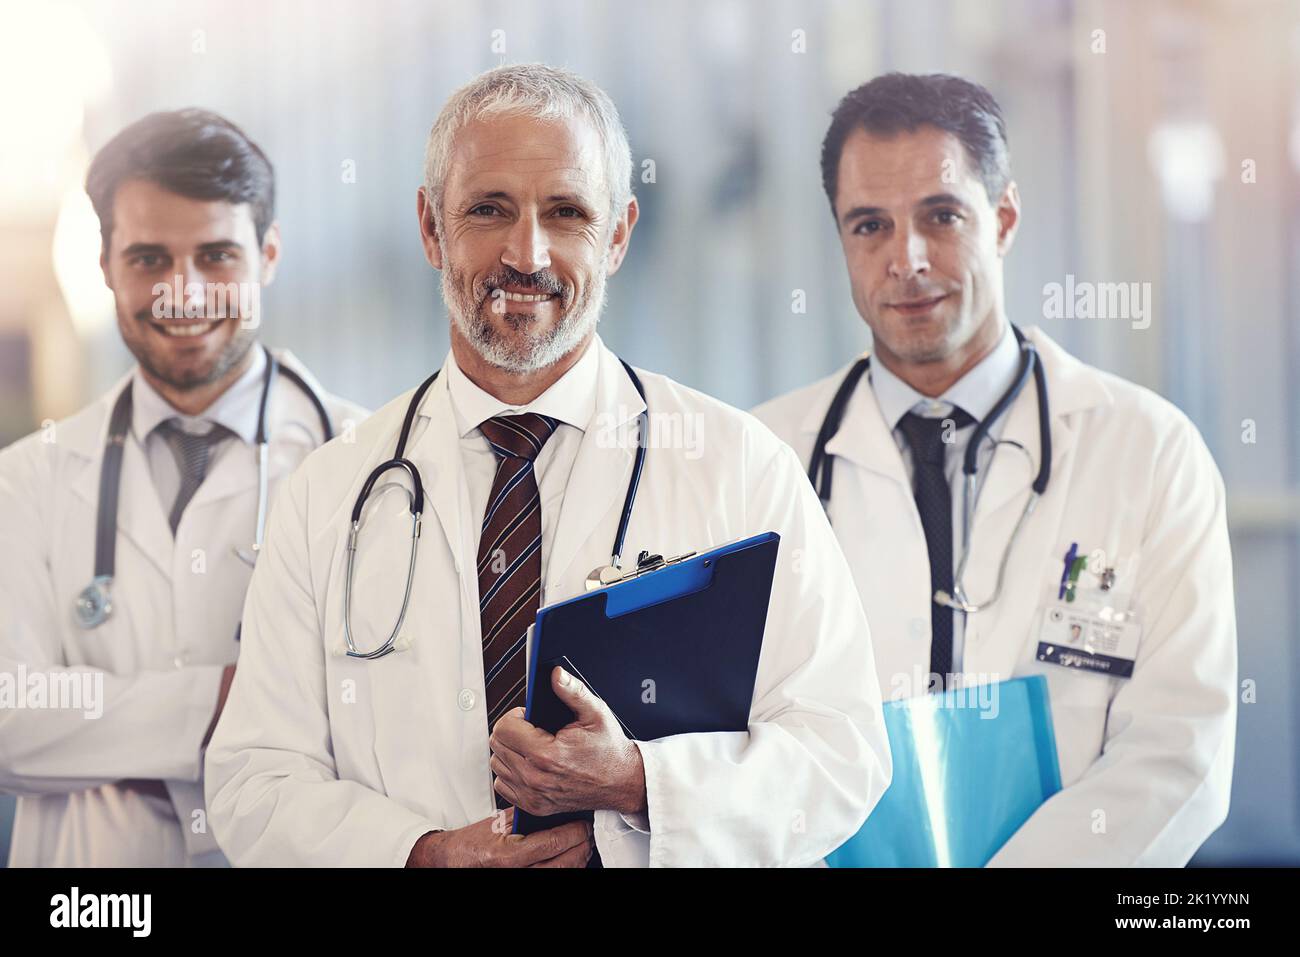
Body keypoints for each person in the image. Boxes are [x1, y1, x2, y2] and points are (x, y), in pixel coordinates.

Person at [205, 63, 890, 868]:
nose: (526, 253)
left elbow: (842, 752)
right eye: (488, 209)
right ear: (430, 229)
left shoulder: (740, 466)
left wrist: (640, 783)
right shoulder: (327, 494)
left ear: (619, 234)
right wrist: (424, 854)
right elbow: (254, 780)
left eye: (566, 212)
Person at [754, 73, 1236, 866]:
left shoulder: (1148, 453)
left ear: (1004, 218)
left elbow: (1179, 755)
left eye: (940, 216)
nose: (906, 260)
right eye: (870, 226)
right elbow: (737, 746)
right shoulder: (765, 460)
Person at [0, 109, 365, 866]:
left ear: (268, 254)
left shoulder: (367, 464)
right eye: (149, 259)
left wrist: (105, 727)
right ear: (105, 265)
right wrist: (227, 699)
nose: (185, 294)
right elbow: (9, 718)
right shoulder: (29, 478)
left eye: (216, 256)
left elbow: (378, 717)